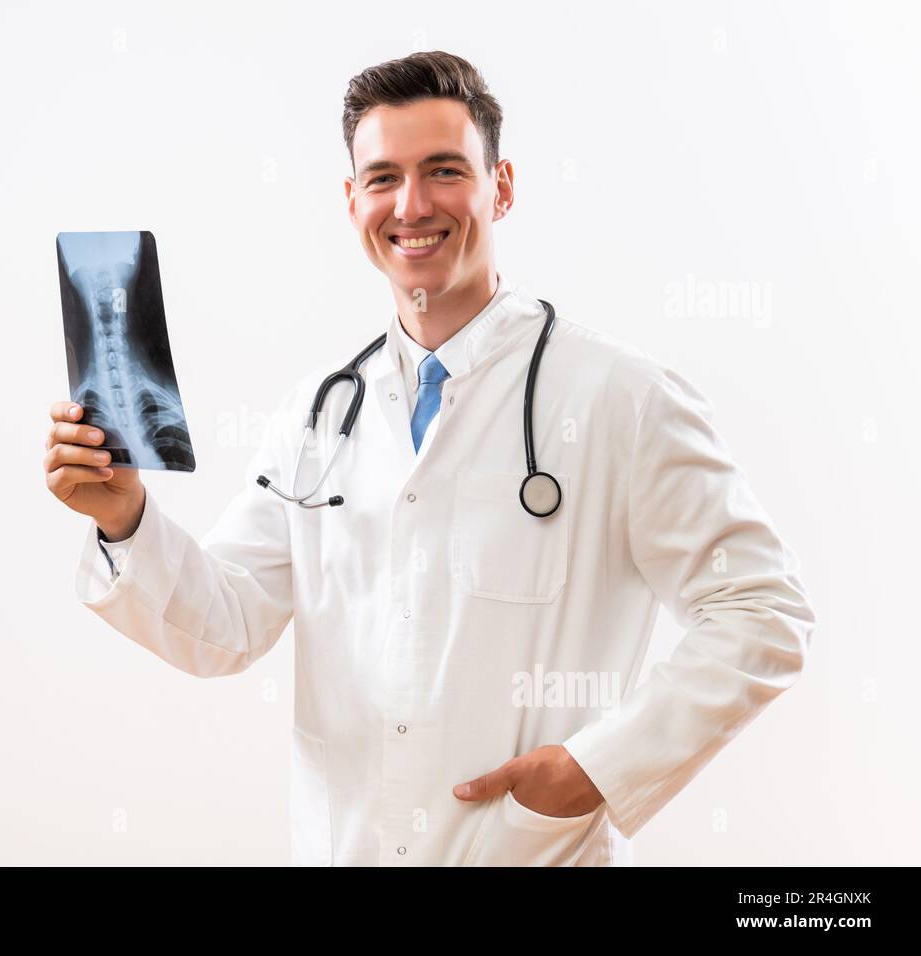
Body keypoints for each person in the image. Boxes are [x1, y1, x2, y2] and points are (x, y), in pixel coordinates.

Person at [43, 50, 815, 866]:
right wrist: (123, 519)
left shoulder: (621, 400)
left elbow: (763, 611)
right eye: (382, 178)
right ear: (352, 202)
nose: (411, 205)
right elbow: (224, 629)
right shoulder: (318, 416)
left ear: (501, 186)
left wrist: (595, 769)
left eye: (444, 170)